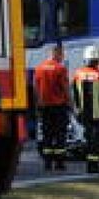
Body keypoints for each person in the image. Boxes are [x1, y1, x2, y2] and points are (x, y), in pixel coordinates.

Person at [72, 45, 99, 174]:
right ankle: (94, 166)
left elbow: (74, 94)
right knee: (97, 140)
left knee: (89, 138)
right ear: (96, 60)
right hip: (98, 114)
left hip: (83, 114)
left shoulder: (78, 74)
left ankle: (90, 165)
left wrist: (77, 110)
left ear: (85, 60)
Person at [33, 43, 71, 171]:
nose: (63, 57)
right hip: (59, 106)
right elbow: (65, 88)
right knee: (60, 135)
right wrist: (70, 103)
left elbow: (35, 88)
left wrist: (38, 103)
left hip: (44, 107)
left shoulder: (39, 68)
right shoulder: (60, 68)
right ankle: (60, 163)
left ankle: (47, 163)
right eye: (62, 54)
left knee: (47, 135)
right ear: (57, 53)